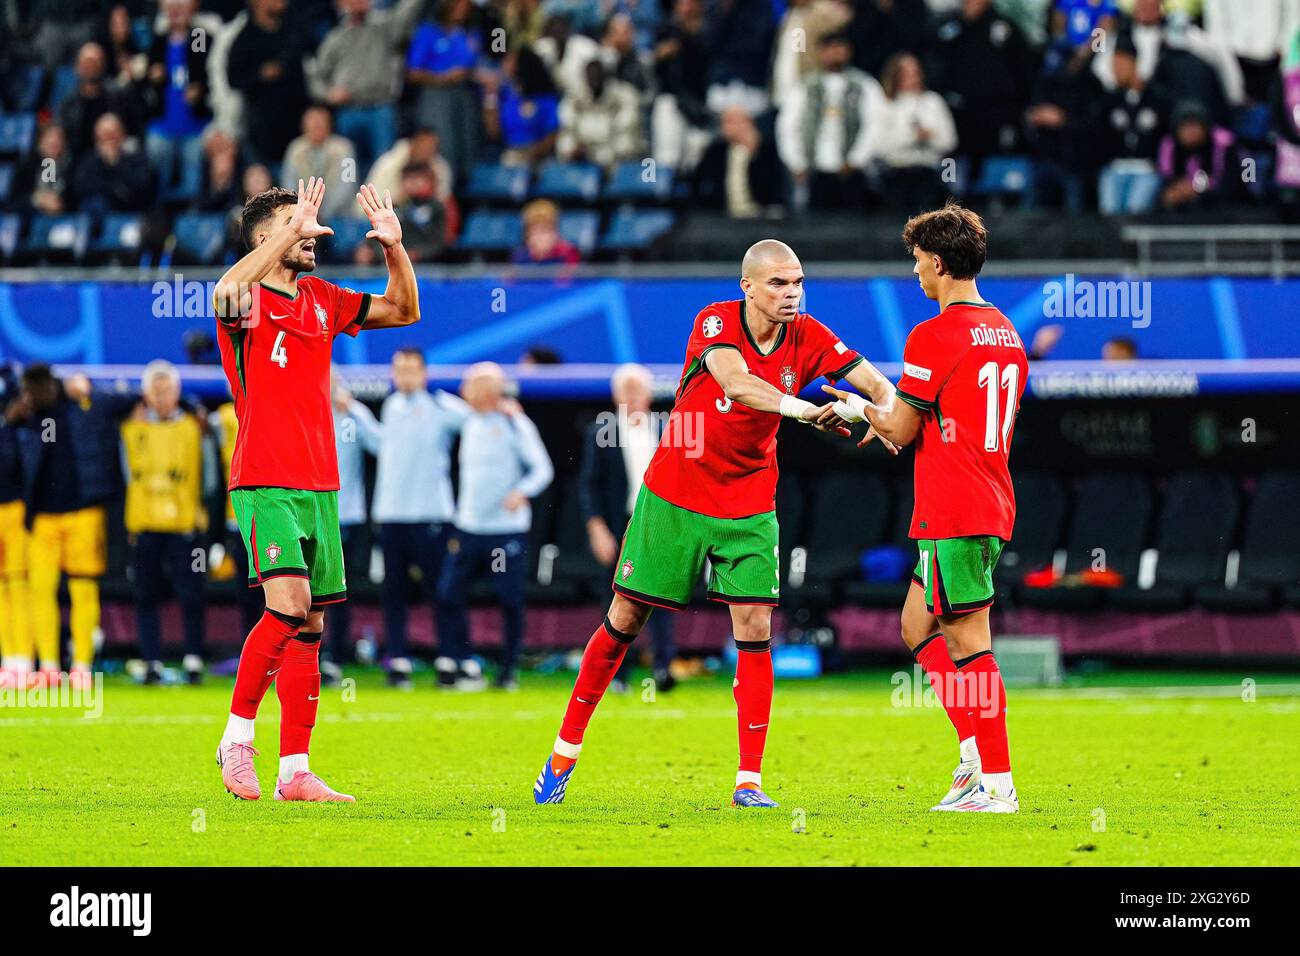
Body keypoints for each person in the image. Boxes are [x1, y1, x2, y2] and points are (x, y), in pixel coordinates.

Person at [532, 239, 898, 808]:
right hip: (675, 492)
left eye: (798, 282)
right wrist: (805, 410)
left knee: (754, 626)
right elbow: (737, 384)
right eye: (778, 284)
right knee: (625, 618)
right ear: (747, 287)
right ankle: (562, 756)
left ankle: (748, 782)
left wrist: (888, 407)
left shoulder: (809, 333)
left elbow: (871, 378)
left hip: (749, 500)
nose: (791, 293)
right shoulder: (715, 320)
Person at [212, 176, 420, 803]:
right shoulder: (243, 302)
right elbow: (226, 290)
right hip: (264, 477)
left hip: (320, 483)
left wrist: (394, 247)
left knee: (312, 625)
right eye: (300, 227)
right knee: (287, 604)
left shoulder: (323, 298)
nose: (315, 235)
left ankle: (295, 771)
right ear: (268, 238)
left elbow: (404, 310)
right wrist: (286, 234)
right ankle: (236, 738)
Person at [821, 203, 1028, 813]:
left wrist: (861, 409)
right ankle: (972, 762)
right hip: (985, 495)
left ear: (938, 263)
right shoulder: (1007, 333)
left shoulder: (934, 334)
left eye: (917, 262)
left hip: (955, 506)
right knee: (917, 626)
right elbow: (942, 420)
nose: (915, 273)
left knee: (970, 643)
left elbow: (904, 428)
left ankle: (997, 784)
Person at [337, 348, 470, 689]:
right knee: (393, 593)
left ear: (424, 373)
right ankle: (398, 661)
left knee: (440, 591)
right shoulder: (391, 409)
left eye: (411, 370)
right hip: (391, 517)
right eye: (399, 370)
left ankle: (448, 659)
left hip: (432, 516)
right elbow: (381, 446)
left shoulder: (443, 407)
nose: (405, 376)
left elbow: (476, 420)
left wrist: (499, 407)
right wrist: (350, 410)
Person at [7, 366, 133, 686]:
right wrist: (11, 420)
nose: (32, 395)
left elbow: (129, 399)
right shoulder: (25, 420)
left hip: (83, 513)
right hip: (43, 519)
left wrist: (90, 388)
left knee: (83, 588)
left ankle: (81, 666)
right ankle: (48, 665)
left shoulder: (84, 406)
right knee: (41, 591)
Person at [438, 363, 553, 690]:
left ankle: (508, 670)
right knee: (448, 594)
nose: (463, 390)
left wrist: (522, 492)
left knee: (509, 599)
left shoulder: (514, 423)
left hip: (505, 531)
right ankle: (460, 662)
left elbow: (542, 469)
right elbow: (436, 401)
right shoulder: (466, 420)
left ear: (488, 389)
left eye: (470, 384)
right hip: (468, 528)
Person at [578, 364, 676, 693]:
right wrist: (597, 529)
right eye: (626, 391)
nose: (632, 397)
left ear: (649, 394)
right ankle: (618, 675)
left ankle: (663, 669)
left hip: (658, 522)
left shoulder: (669, 429)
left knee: (663, 598)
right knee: (619, 603)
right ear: (616, 396)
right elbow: (588, 486)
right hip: (620, 524)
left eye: (637, 390)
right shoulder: (600, 432)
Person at [121, 360, 208, 684]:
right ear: (144, 393)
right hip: (144, 525)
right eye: (155, 390)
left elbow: (207, 478)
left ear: (178, 392)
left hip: (184, 527)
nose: (161, 396)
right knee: (145, 595)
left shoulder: (194, 428)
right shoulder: (131, 430)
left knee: (192, 594)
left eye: (167, 389)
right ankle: (152, 660)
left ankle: (194, 658)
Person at [308, 0, 424, 171]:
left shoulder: (385, 26)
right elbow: (315, 76)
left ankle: (381, 198)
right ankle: (350, 198)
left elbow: (407, 13)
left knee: (384, 164)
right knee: (347, 167)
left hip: (381, 108)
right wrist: (328, 94)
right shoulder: (336, 37)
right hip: (348, 111)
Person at [775, 30, 885, 211]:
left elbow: (874, 125)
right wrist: (796, 162)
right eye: (828, 48)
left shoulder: (865, 85)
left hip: (852, 172)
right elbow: (788, 126)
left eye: (839, 47)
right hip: (815, 171)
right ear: (820, 52)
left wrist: (856, 160)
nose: (834, 52)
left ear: (849, 51)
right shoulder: (804, 86)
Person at [226, 0, 311, 166]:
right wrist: (260, 75)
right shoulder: (244, 39)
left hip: (296, 121)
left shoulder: (293, 30)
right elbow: (233, 79)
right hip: (262, 128)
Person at [143, 0, 212, 202]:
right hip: (163, 123)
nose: (176, 14)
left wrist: (199, 87)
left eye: (180, 9)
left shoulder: (197, 36)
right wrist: (153, 76)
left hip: (195, 123)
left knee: (193, 172)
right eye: (171, 10)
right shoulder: (159, 41)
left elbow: (205, 67)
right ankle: (158, 209)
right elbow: (148, 78)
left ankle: (191, 212)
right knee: (156, 156)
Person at [407, 0, 482, 185]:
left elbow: (474, 63)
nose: (461, 11)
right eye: (457, 6)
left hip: (464, 94)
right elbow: (413, 73)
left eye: (465, 7)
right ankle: (442, 189)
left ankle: (467, 194)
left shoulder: (470, 33)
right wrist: (442, 78)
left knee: (466, 144)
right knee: (443, 144)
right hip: (435, 94)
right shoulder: (428, 32)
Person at [874, 52, 958, 212]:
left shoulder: (934, 101)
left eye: (915, 72)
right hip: (896, 175)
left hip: (927, 175)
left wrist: (930, 137)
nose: (913, 78)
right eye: (906, 73)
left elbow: (949, 141)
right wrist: (912, 137)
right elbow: (880, 146)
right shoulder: (885, 104)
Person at [691, 105, 785, 216]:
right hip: (723, 216)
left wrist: (753, 152)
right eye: (725, 122)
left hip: (760, 214)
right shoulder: (716, 151)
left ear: (749, 124)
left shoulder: (766, 149)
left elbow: (772, 189)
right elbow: (698, 181)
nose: (727, 127)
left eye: (733, 122)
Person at [0, 364, 31, 684]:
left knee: (19, 585)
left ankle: (23, 658)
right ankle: (9, 659)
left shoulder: (13, 385)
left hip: (15, 506)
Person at [280, 107, 358, 222]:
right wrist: (301, 211)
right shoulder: (295, 149)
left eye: (320, 122)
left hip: (339, 215)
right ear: (303, 126)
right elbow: (288, 184)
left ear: (329, 125)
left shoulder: (345, 147)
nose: (316, 125)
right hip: (302, 214)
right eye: (312, 122)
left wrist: (324, 215)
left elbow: (348, 185)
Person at [72, 112, 154, 214]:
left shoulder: (137, 157)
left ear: (122, 134)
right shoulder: (89, 160)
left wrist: (116, 163)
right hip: (97, 213)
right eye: (105, 134)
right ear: (96, 137)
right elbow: (82, 188)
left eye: (113, 133)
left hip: (131, 211)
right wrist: (106, 165)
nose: (110, 138)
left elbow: (141, 188)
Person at [513, 198, 581, 265]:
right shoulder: (520, 256)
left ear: (555, 233)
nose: (539, 238)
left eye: (544, 231)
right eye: (534, 232)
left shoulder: (568, 253)